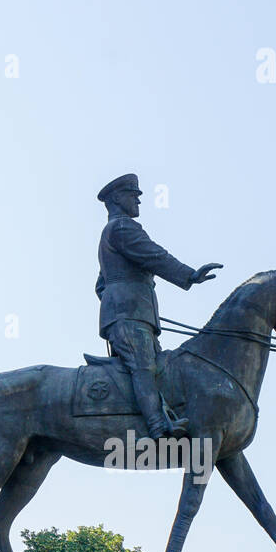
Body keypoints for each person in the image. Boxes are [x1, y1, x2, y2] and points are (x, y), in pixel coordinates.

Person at [95, 174, 222, 439]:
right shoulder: (122, 228)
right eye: (133, 195)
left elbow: (100, 286)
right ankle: (157, 426)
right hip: (129, 315)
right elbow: (155, 256)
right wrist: (189, 275)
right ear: (118, 199)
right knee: (144, 367)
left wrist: (120, 304)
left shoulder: (112, 233)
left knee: (154, 368)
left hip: (131, 314)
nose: (138, 200)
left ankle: (159, 415)